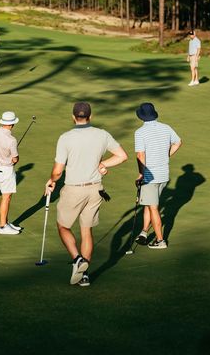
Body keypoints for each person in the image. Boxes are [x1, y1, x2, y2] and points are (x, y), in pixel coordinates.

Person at [45, 102, 127, 286]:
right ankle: (84, 276)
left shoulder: (66, 137)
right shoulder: (102, 134)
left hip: (74, 189)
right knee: (86, 230)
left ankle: (77, 259)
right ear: (90, 116)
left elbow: (58, 171)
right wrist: (104, 164)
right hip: (95, 189)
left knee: (63, 226)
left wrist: (52, 181)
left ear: (74, 117)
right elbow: (122, 156)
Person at [134, 102, 182, 249]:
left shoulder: (140, 132)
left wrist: (142, 174)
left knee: (153, 206)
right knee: (149, 203)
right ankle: (143, 232)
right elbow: (178, 142)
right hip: (163, 174)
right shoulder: (166, 128)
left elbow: (140, 155)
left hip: (149, 175)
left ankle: (160, 241)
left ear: (141, 117)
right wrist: (166, 156)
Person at [0, 111, 23, 235]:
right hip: (6, 170)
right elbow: (15, 159)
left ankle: (6, 222)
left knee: (7, 196)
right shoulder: (11, 140)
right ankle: (2, 227)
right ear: (12, 124)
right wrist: (10, 159)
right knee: (6, 198)